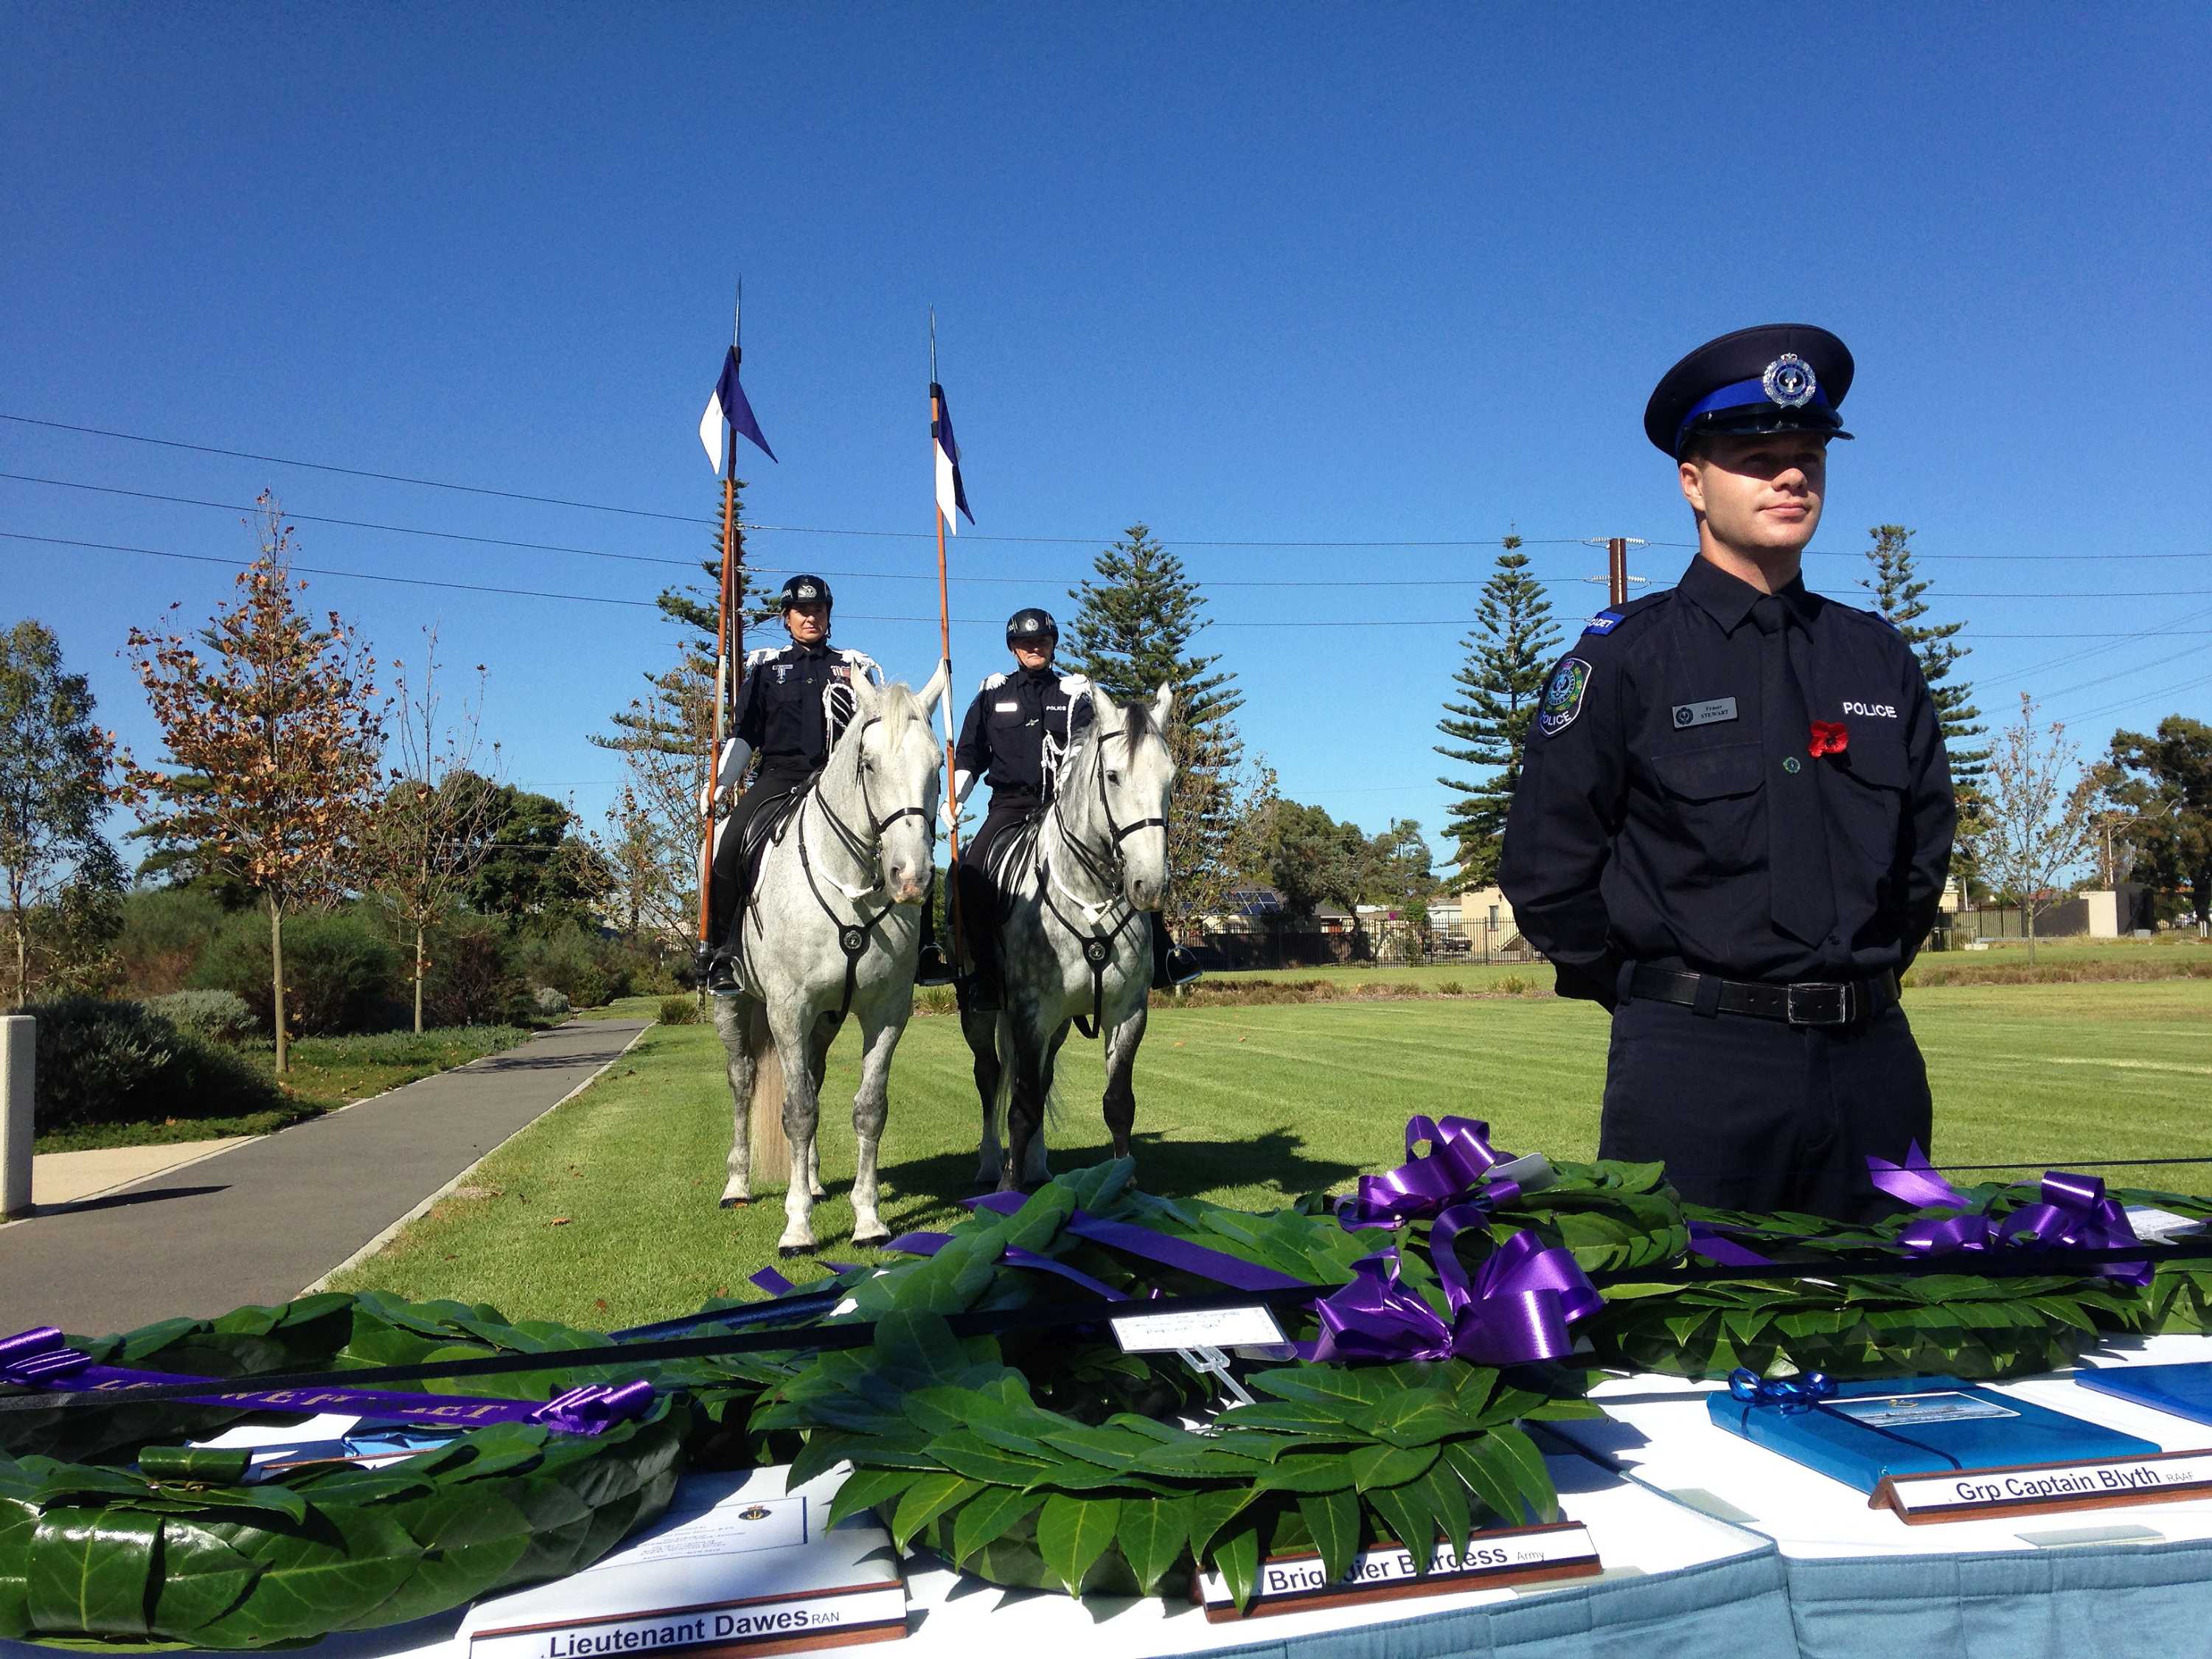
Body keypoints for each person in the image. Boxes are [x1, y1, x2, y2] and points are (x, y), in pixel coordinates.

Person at [1498, 324, 1955, 1220]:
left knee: (1891, 1305)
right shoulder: (1626, 661)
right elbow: (1548, 870)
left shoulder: (1876, 658)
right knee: (1689, 1307)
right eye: (1758, 459)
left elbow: (1920, 856)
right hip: (1697, 1072)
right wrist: (1662, 998)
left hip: (1873, 1066)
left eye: (1808, 457)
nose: (1791, 477)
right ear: (1693, 482)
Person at [703, 573, 953, 995]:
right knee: (729, 845)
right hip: (780, 777)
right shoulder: (766, 671)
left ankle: (924, 946)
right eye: (801, 611)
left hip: (842, 783)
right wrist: (723, 783)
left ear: (828, 615)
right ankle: (723, 952)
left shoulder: (854, 670)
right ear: (786, 618)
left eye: (817, 610)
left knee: (913, 839)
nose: (810, 618)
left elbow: (881, 731)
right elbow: (745, 736)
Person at [947, 608, 1200, 1010]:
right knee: (970, 873)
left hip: (1061, 806)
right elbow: (969, 753)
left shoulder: (1074, 695)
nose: (1034, 648)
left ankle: (1162, 955)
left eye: (1042, 641)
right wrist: (957, 797)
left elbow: (1089, 746)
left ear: (1053, 645)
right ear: (1013, 648)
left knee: (1134, 858)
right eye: (1026, 642)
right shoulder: (993, 695)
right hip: (1009, 809)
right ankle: (985, 975)